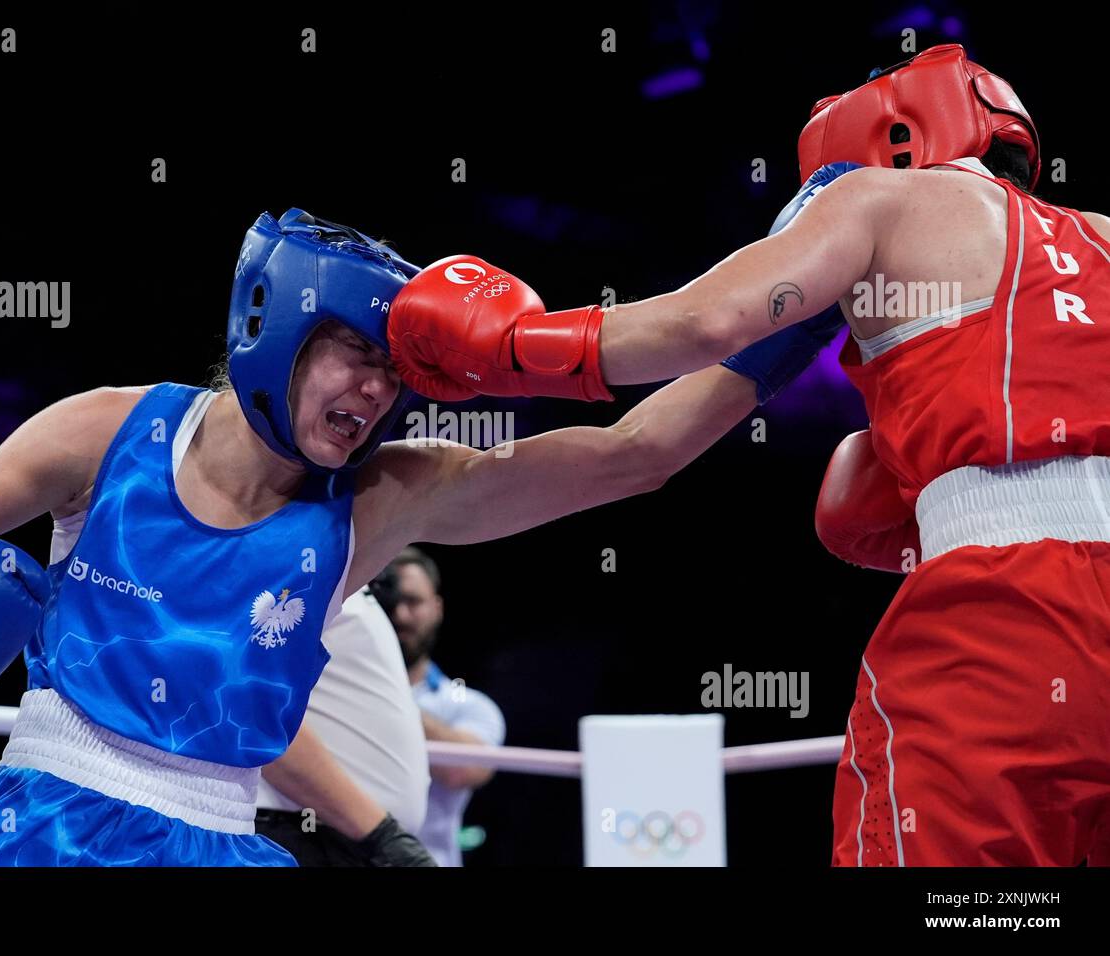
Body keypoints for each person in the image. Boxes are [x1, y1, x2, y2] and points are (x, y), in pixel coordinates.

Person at [0, 206, 823, 865]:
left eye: (395, 371)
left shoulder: (381, 498)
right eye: (356, 353)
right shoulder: (110, 430)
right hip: (45, 818)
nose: (374, 392)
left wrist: (799, 300)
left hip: (225, 834)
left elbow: (631, 455)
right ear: (275, 328)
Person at [388, 45, 1110, 866]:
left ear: (888, 144)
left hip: (1003, 619)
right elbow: (647, 447)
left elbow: (701, 323)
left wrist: (512, 348)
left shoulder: (877, 199)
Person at [253, 586, 433, 865]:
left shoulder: (345, 569)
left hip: (341, 837)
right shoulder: (293, 564)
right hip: (306, 833)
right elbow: (256, 710)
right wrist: (378, 834)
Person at [386, 547, 504, 867]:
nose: (400, 615)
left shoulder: (468, 705)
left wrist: (382, 695)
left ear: (436, 607)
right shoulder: (329, 691)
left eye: (412, 601)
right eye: (388, 602)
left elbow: (466, 770)